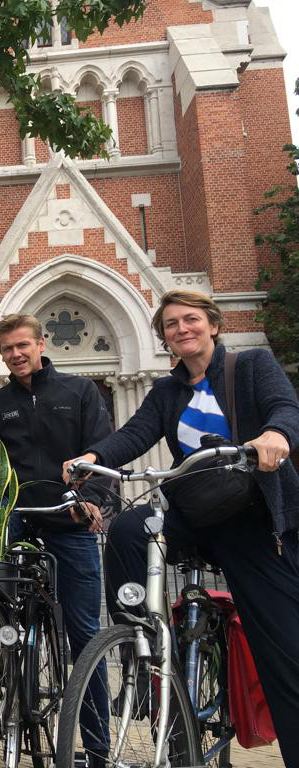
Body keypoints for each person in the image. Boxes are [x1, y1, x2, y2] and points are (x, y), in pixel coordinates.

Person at [63, 289, 299, 766]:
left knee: (285, 650)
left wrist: (275, 435)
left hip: (252, 520)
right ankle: (140, 644)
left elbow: (284, 407)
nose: (181, 329)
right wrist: (95, 457)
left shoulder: (250, 367)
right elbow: (136, 434)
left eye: (190, 319)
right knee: (129, 530)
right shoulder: (167, 391)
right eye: (171, 325)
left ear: (212, 324)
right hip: (194, 511)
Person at [0, 313, 113, 765]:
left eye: (22, 345)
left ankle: (97, 746)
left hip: (67, 517)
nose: (15, 355)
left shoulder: (80, 392)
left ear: (40, 344)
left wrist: (92, 500)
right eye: (7, 350)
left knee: (84, 634)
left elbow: (103, 450)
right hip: (17, 515)